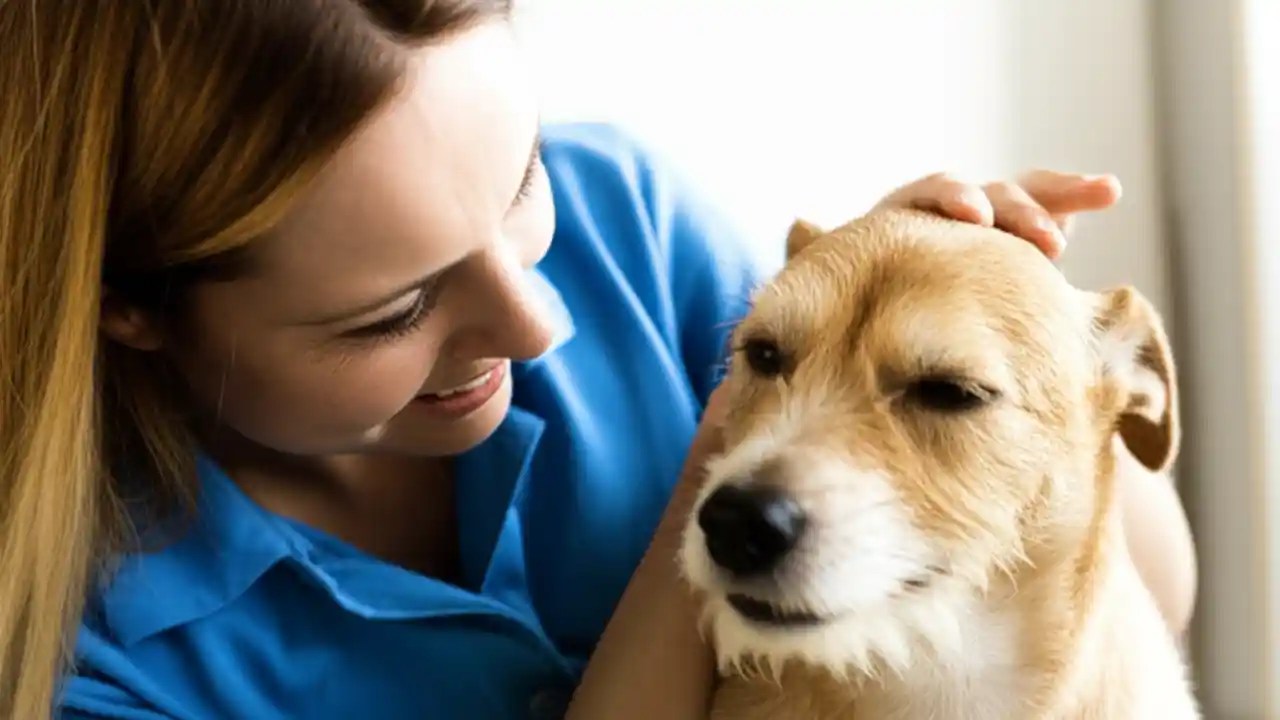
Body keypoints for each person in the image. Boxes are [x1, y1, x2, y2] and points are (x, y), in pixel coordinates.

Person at [0, 2, 1196, 719]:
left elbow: (1157, 589)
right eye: (393, 309)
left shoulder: (627, 220)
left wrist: (1022, 345)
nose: (536, 325)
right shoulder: (95, 661)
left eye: (520, 181)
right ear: (134, 312)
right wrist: (727, 450)